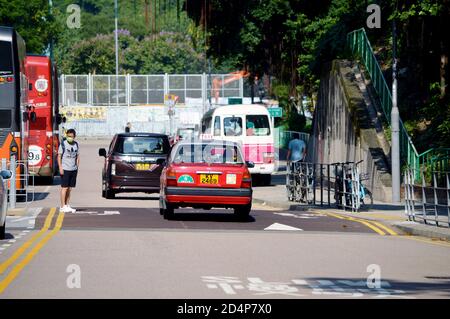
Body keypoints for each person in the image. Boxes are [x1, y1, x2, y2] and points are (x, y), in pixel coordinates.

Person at [57, 129, 80, 213]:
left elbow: (77, 156)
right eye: (68, 136)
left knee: (70, 189)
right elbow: (59, 156)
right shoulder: (63, 144)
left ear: (74, 137)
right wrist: (60, 167)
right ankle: (62, 206)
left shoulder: (76, 144)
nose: (70, 138)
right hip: (65, 169)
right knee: (64, 188)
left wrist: (77, 166)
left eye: (71, 136)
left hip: (73, 169)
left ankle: (67, 205)